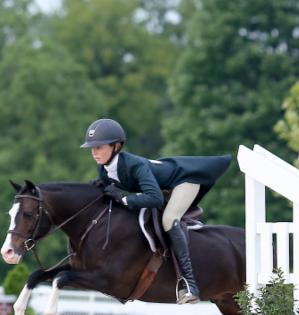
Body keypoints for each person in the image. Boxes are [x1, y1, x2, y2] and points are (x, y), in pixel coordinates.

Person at [81, 118, 232, 304]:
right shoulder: (104, 169)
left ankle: (189, 284)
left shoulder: (135, 165)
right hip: (162, 186)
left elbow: (155, 199)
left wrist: (125, 199)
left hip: (184, 180)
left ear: (116, 146)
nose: (94, 152)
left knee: (169, 219)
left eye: (99, 147)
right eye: (92, 148)